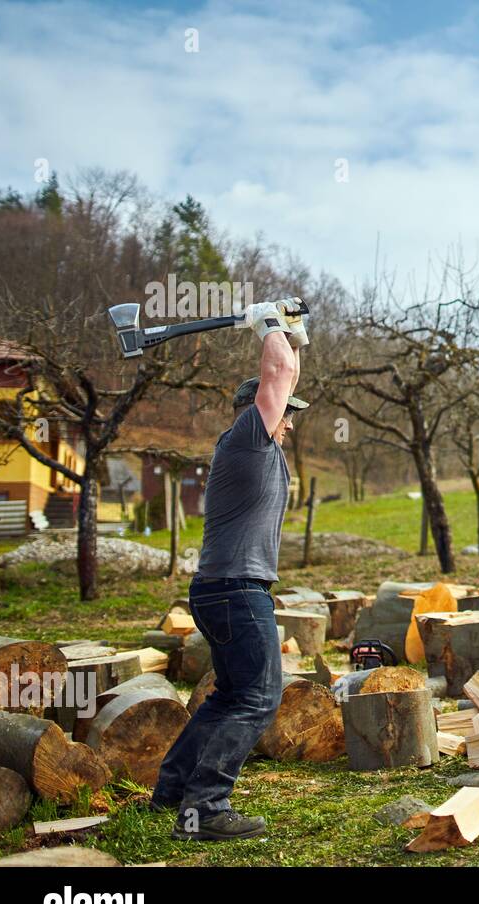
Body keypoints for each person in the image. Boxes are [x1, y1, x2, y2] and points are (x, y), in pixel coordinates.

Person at [151, 298, 310, 840]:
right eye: (288, 411)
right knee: (259, 697)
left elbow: (289, 367)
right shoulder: (248, 439)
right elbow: (279, 373)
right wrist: (266, 323)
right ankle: (205, 811)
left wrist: (294, 330)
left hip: (222, 590)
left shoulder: (256, 449)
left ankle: (172, 792)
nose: (292, 422)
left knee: (229, 695)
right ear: (263, 408)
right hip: (236, 592)